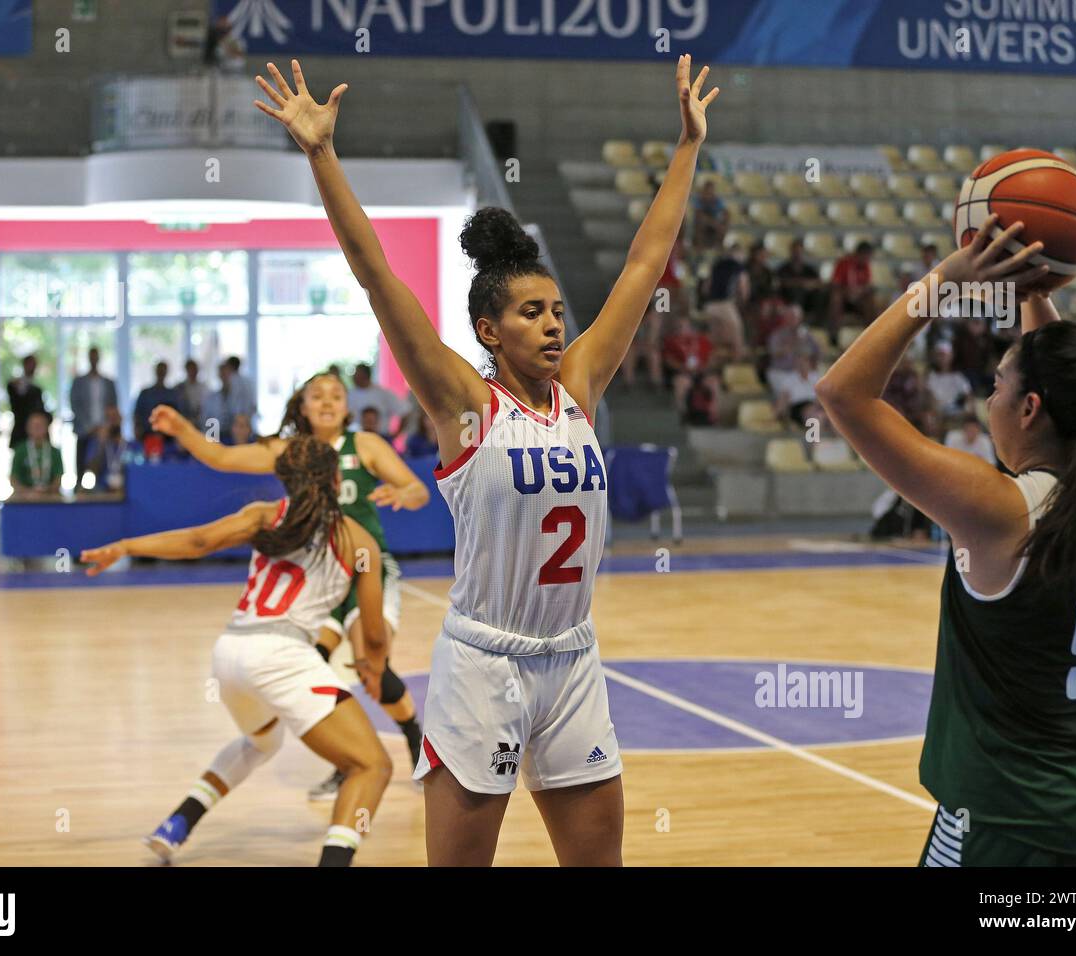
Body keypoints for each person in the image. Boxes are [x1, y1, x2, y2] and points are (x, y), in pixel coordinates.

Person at [253, 52, 718, 865]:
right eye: (531, 313)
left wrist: (686, 147)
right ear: (488, 332)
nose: (553, 326)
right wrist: (322, 154)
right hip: (483, 665)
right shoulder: (464, 404)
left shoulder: (580, 389)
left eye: (557, 311)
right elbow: (376, 277)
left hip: (573, 657)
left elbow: (643, 269)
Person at [817, 214, 1076, 865]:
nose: (989, 399)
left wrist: (948, 276)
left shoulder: (1000, 512)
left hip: (1004, 817)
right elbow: (1063, 383)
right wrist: (1033, 290)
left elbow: (842, 393)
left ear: (1030, 409)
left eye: (999, 384)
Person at [81, 434, 393, 866]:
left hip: (231, 654)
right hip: (282, 655)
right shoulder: (359, 542)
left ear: (285, 478)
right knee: (372, 766)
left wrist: (126, 547)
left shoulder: (264, 515)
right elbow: (374, 638)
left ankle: (176, 824)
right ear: (337, 478)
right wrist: (373, 667)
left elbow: (196, 542)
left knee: (262, 742)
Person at [150, 370, 430, 801]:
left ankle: (414, 737)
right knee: (310, 668)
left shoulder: (366, 445)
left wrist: (402, 495)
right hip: (316, 577)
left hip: (363, 569)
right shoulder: (288, 450)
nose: (327, 402)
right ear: (302, 406)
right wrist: (182, 428)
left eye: (336, 395)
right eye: (317, 395)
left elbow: (416, 489)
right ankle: (348, 762)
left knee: (370, 667)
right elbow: (221, 458)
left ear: (347, 407)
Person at [70, 348, 117, 483]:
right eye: (92, 356)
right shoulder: (79, 381)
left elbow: (113, 406)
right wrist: (89, 427)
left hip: (104, 431)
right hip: (84, 430)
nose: (94, 359)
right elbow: (75, 405)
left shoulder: (108, 383)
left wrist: (105, 426)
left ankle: (100, 490)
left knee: (101, 465)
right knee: (81, 466)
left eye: (96, 356)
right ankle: (79, 491)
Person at [827, 240, 878, 341]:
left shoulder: (865, 266)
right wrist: (848, 292)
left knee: (871, 301)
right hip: (844, 298)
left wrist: (860, 291)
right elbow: (835, 284)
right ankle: (834, 333)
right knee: (836, 297)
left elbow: (867, 285)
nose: (867, 260)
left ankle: (871, 334)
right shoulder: (843, 263)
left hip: (858, 299)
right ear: (859, 254)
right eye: (866, 257)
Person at [10, 411, 63, 497]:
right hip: (24, 496)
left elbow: (58, 479)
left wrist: (46, 492)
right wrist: (28, 492)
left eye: (40, 426)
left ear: (47, 427)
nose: (37, 428)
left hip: (50, 495)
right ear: (28, 428)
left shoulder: (54, 452)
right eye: (34, 426)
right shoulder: (20, 450)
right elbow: (13, 479)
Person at [347, 363, 408, 437]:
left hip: (381, 436)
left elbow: (405, 411)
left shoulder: (383, 393)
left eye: (358, 375)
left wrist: (396, 434)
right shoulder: (349, 394)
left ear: (366, 376)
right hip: (356, 436)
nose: (354, 377)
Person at [776, 238, 824, 324]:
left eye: (799, 252)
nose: (797, 254)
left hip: (808, 300)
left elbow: (818, 282)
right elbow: (781, 282)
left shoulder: (809, 269)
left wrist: (808, 284)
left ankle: (816, 321)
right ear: (791, 252)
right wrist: (799, 283)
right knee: (797, 291)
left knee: (819, 294)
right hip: (790, 299)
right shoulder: (783, 269)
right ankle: (796, 318)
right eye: (795, 252)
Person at [83, 405, 130, 491]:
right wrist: (101, 443)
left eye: (115, 417)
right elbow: (91, 469)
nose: (113, 421)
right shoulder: (96, 444)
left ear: (121, 419)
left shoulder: (131, 446)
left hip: (126, 489)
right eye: (109, 418)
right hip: (102, 489)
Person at [925, 341, 974, 418]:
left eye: (945, 355)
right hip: (939, 412)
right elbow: (929, 397)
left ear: (951, 356)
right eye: (940, 355)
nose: (942, 358)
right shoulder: (931, 376)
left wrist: (967, 409)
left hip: (957, 412)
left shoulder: (958, 376)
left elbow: (968, 394)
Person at [6, 354, 45, 449]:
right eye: (30, 364)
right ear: (24, 365)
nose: (32, 367)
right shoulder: (14, 385)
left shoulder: (37, 389)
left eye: (34, 365)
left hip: (35, 435)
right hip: (21, 432)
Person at [133, 361, 179, 443]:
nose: (161, 373)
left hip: (168, 438)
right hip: (146, 435)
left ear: (166, 373)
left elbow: (177, 416)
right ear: (155, 371)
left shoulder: (172, 394)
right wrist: (137, 428)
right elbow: (137, 414)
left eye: (163, 371)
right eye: (159, 371)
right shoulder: (145, 393)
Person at [691, 179, 729, 252]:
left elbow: (726, 213)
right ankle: (699, 248)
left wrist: (724, 223)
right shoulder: (698, 199)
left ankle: (719, 247)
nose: (709, 192)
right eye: (707, 190)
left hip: (714, 223)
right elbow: (699, 215)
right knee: (700, 222)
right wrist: (715, 224)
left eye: (711, 190)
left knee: (724, 224)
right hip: (703, 224)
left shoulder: (717, 200)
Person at [175, 359, 207, 428]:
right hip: (184, 423)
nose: (192, 371)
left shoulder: (204, 387)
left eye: (194, 369)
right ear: (186, 370)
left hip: (201, 423)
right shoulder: (179, 388)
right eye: (190, 369)